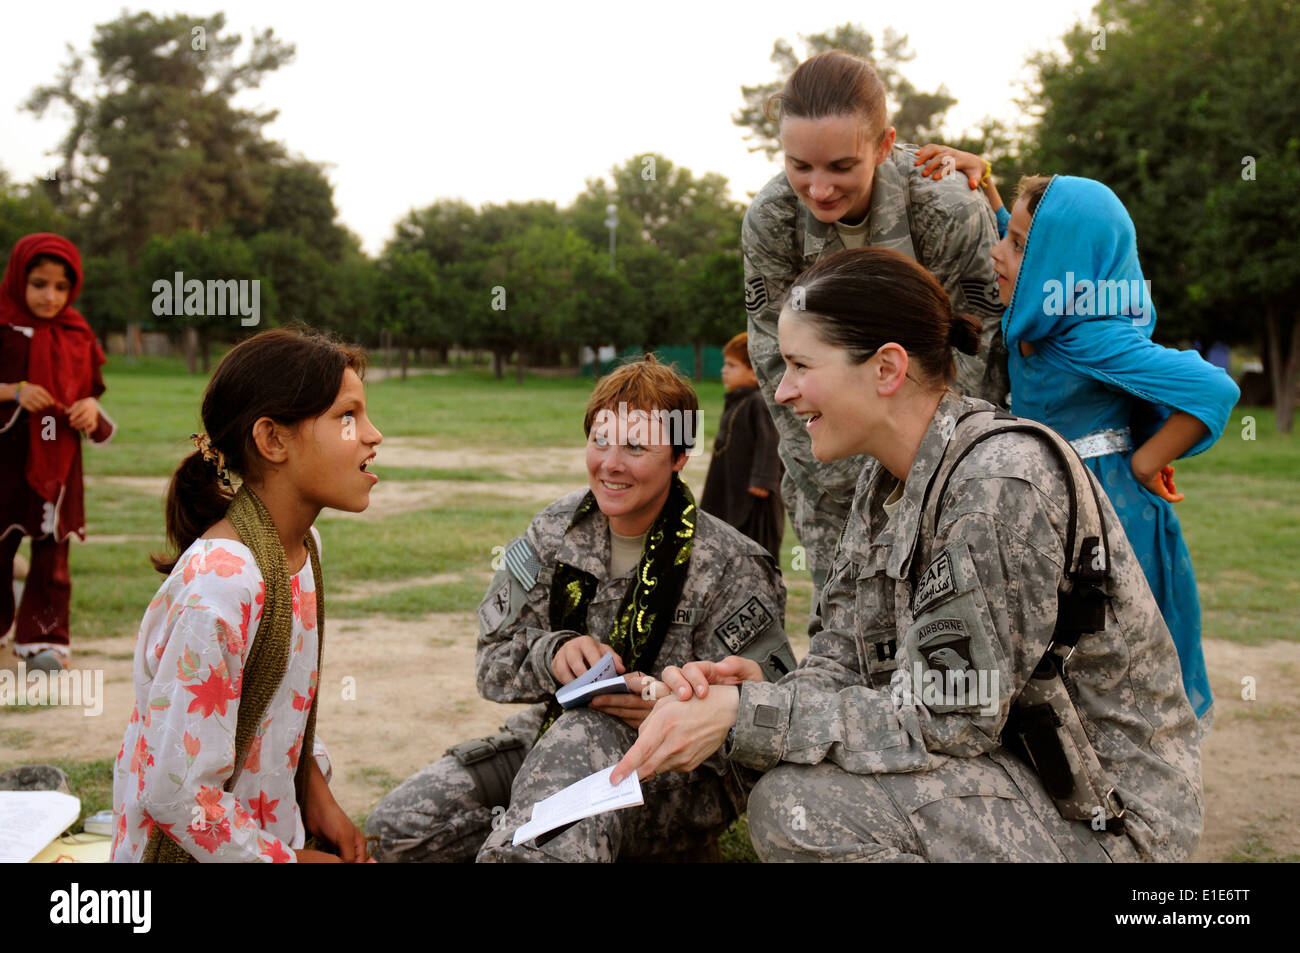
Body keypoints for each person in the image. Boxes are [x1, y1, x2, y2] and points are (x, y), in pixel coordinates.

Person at [614, 247, 1203, 863]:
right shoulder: (886, 481)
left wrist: (748, 715)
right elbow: (844, 655)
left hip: (1107, 820)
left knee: (800, 805)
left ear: (887, 369)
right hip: (1008, 772)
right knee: (789, 770)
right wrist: (759, 688)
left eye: (799, 365)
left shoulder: (998, 486)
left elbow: (948, 717)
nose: (782, 391)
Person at [366, 357, 794, 862]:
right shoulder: (555, 530)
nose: (611, 463)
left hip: (675, 773)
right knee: (399, 828)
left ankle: (548, 843)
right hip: (550, 736)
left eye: (636, 447)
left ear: (679, 457)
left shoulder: (729, 563)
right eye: (600, 440)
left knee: (582, 741)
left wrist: (674, 704)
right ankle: (539, 839)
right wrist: (554, 654)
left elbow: (772, 718)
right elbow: (491, 665)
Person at [915, 148, 1237, 722]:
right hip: (1057, 500)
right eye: (1006, 236)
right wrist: (984, 181)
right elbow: (1028, 247)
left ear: (1056, 262)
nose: (997, 251)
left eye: (1015, 245)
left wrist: (1144, 463)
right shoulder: (1053, 313)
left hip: (1106, 516)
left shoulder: (1090, 338)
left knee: (1112, 670)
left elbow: (1213, 391)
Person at [743, 50, 1008, 615]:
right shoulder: (772, 221)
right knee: (847, 633)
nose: (818, 189)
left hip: (944, 462)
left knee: (954, 628)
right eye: (799, 166)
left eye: (841, 167)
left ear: (885, 145)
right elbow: (775, 359)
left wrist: (937, 479)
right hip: (829, 475)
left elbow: (979, 353)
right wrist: (837, 485)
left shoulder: (947, 208)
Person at [111, 328, 380, 863]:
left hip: (268, 837)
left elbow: (279, 712)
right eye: (347, 417)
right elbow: (176, 793)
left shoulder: (302, 551)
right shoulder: (220, 586)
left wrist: (315, 794)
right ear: (272, 440)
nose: (372, 435)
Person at [0, 233, 115, 673]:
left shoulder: (76, 333)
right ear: (18, 279)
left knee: (52, 552)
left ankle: (43, 640)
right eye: (39, 284)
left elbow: (88, 393)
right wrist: (15, 391)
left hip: (59, 463)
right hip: (7, 460)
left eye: (61, 287)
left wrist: (90, 407)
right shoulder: (3, 325)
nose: (50, 297)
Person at [700, 331, 784, 560]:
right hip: (732, 487)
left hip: (754, 495)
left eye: (732, 365)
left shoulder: (759, 402)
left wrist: (762, 479)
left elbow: (770, 441)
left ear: (755, 371)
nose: (723, 370)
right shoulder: (738, 400)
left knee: (754, 546)